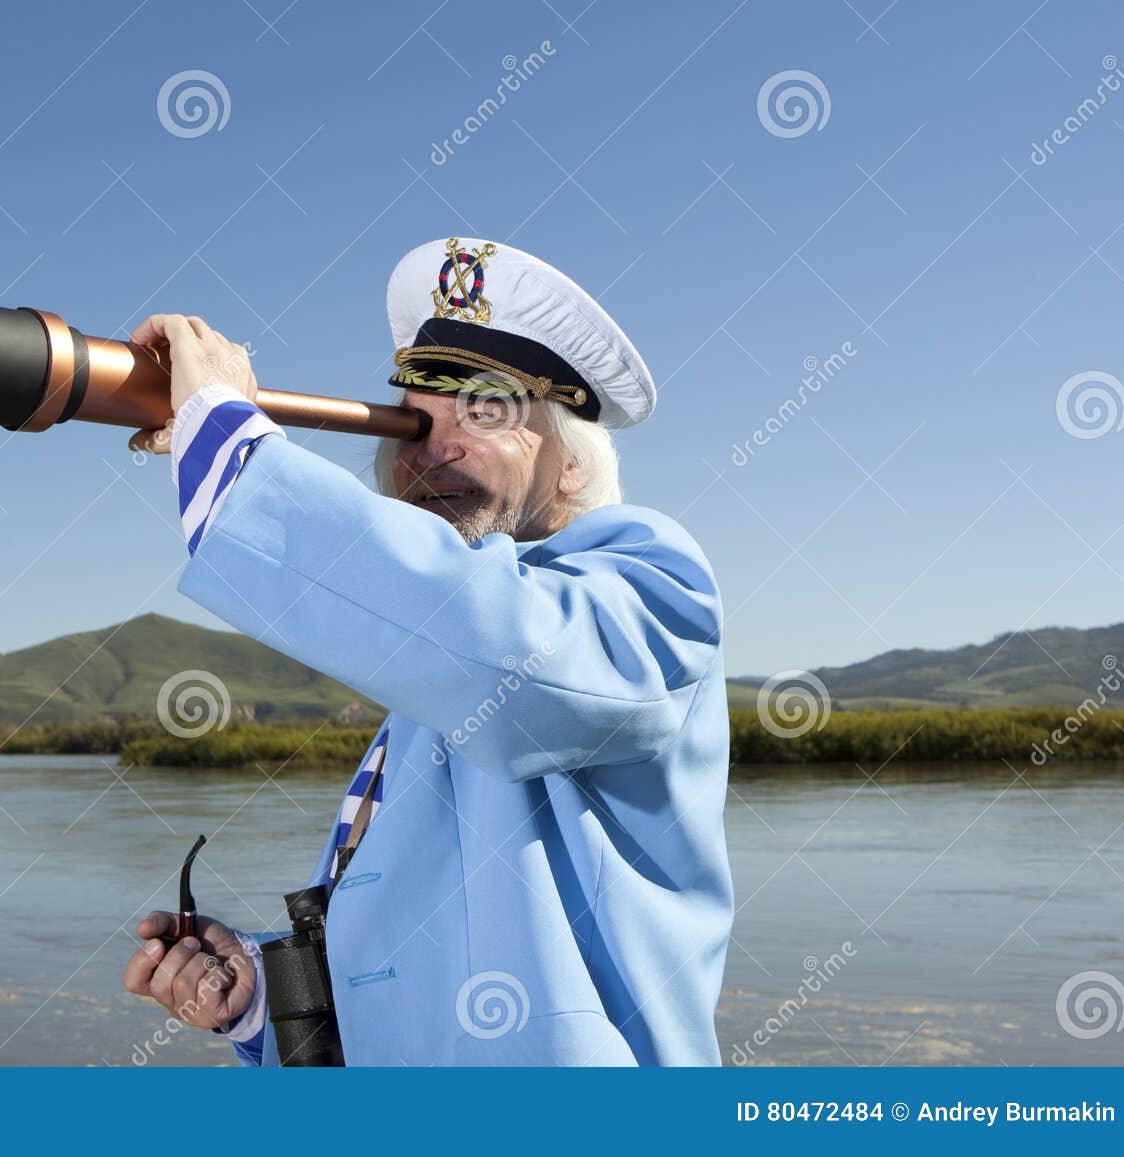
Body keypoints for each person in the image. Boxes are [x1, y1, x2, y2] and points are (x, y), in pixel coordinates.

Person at [120, 237, 732, 1066]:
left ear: (571, 467)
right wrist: (266, 1003)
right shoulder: (423, 685)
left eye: (481, 411)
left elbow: (502, 652)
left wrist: (230, 447)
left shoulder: (652, 585)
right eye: (411, 415)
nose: (429, 442)